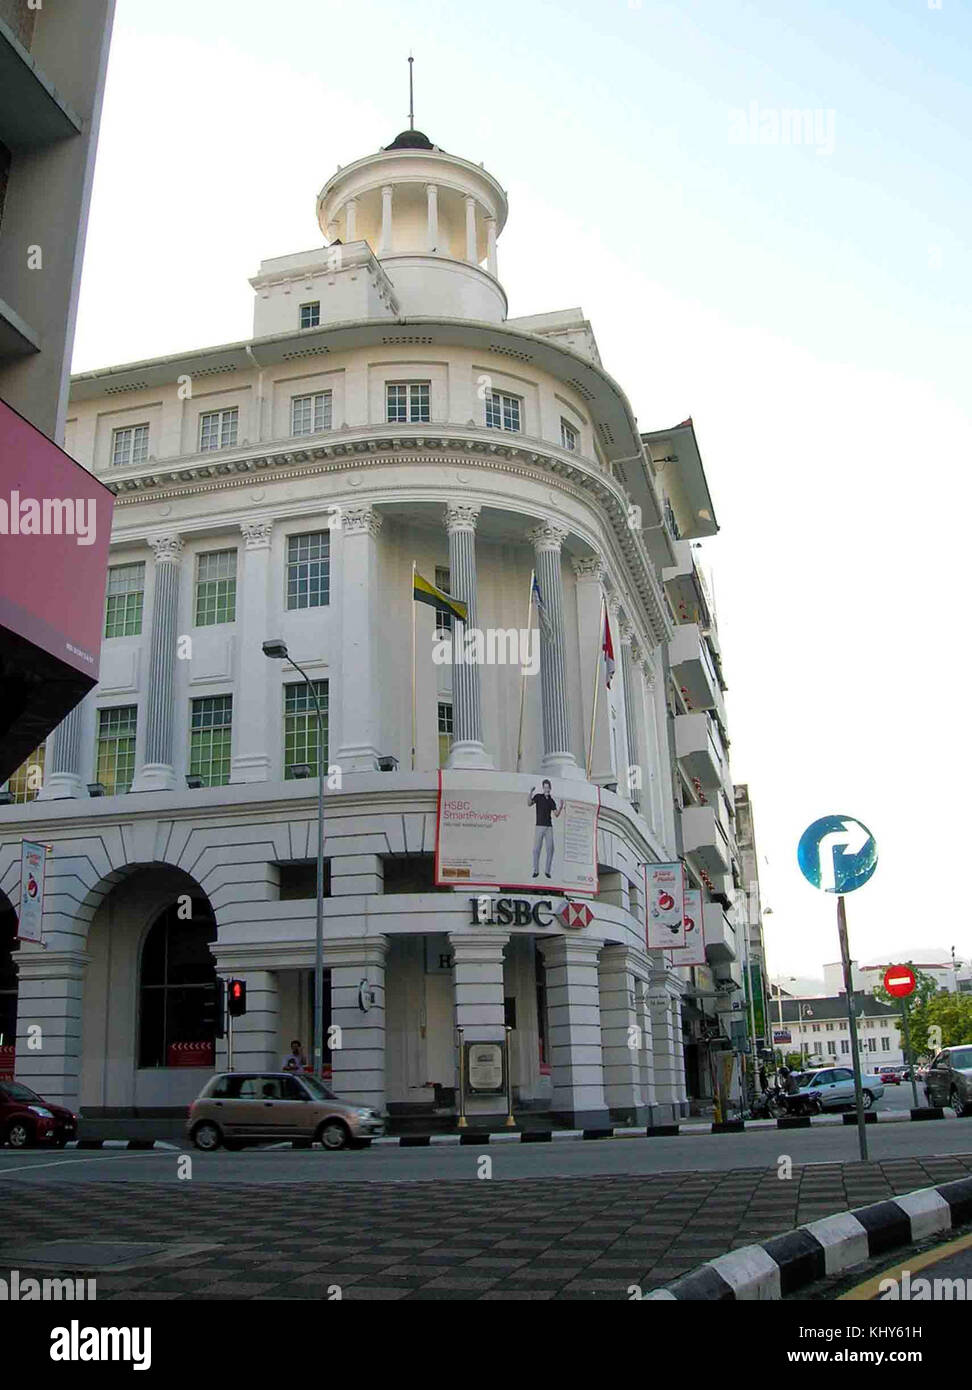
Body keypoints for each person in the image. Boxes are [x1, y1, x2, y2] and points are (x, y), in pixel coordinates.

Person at [528, 780, 563, 879]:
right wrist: (530, 792)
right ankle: (536, 870)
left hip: (549, 827)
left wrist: (561, 807)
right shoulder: (538, 797)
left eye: (548, 787)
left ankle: (547, 871)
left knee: (550, 849)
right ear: (543, 788)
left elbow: (556, 814)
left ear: (550, 788)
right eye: (545, 787)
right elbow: (529, 803)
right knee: (536, 849)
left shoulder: (551, 800)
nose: (546, 789)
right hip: (539, 826)